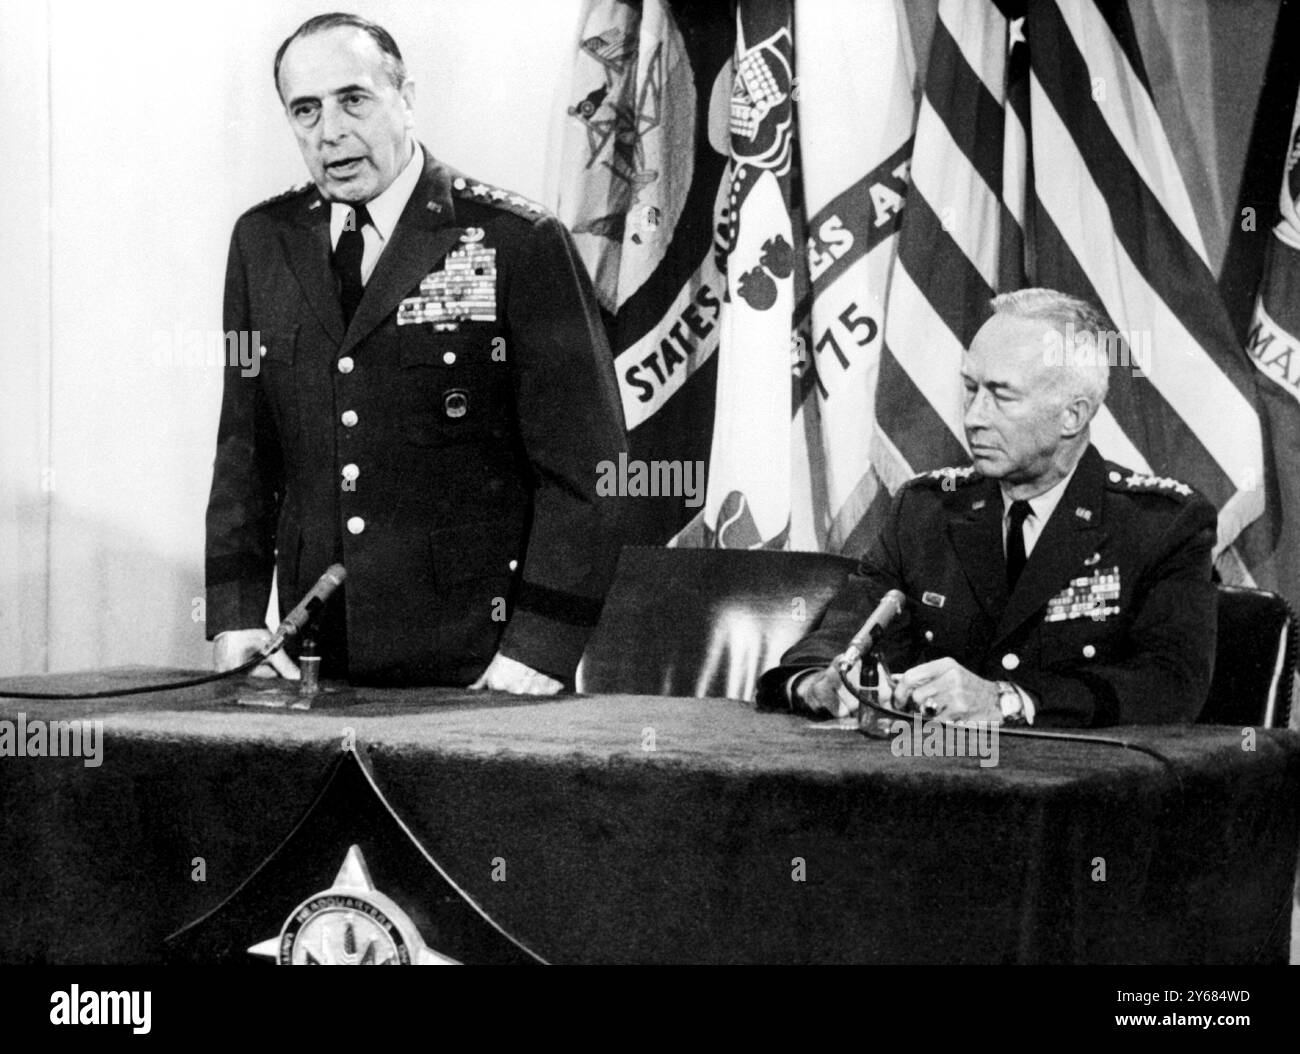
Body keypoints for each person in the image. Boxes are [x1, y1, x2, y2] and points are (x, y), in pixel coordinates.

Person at [205, 13, 627, 693]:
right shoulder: (263, 243)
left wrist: (541, 649)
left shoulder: (516, 241)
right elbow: (245, 450)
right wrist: (235, 613)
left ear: (406, 97)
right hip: (316, 663)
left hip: (478, 667)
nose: (330, 132)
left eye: (354, 100)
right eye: (305, 111)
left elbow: (589, 470)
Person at [758, 288, 1219, 727]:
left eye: (1001, 395)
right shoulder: (926, 512)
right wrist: (816, 684)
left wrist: (1009, 700)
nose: (975, 417)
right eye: (971, 388)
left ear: (1072, 416)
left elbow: (1170, 685)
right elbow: (837, 641)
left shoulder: (1161, 524)